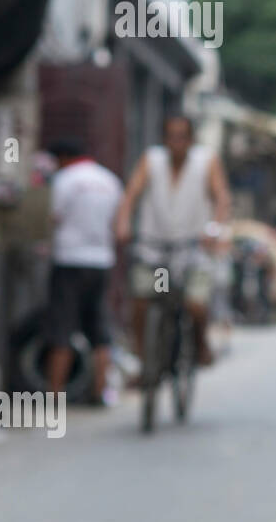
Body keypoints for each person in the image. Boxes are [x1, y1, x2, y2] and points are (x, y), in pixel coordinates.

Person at [113, 114, 231, 367]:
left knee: (195, 305)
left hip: (193, 248)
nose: (176, 142)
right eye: (171, 137)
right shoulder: (151, 160)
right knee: (142, 301)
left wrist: (213, 229)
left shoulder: (206, 161)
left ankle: (200, 344)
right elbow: (131, 194)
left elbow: (221, 198)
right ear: (164, 139)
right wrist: (123, 223)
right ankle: (142, 358)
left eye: (182, 137)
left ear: (191, 140)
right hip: (154, 246)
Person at [46, 139, 123, 403]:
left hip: (69, 260)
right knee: (100, 330)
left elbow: (53, 217)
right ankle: (100, 393)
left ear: (64, 157)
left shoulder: (65, 180)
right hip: (101, 261)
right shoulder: (110, 180)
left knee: (62, 328)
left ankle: (55, 396)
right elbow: (118, 223)